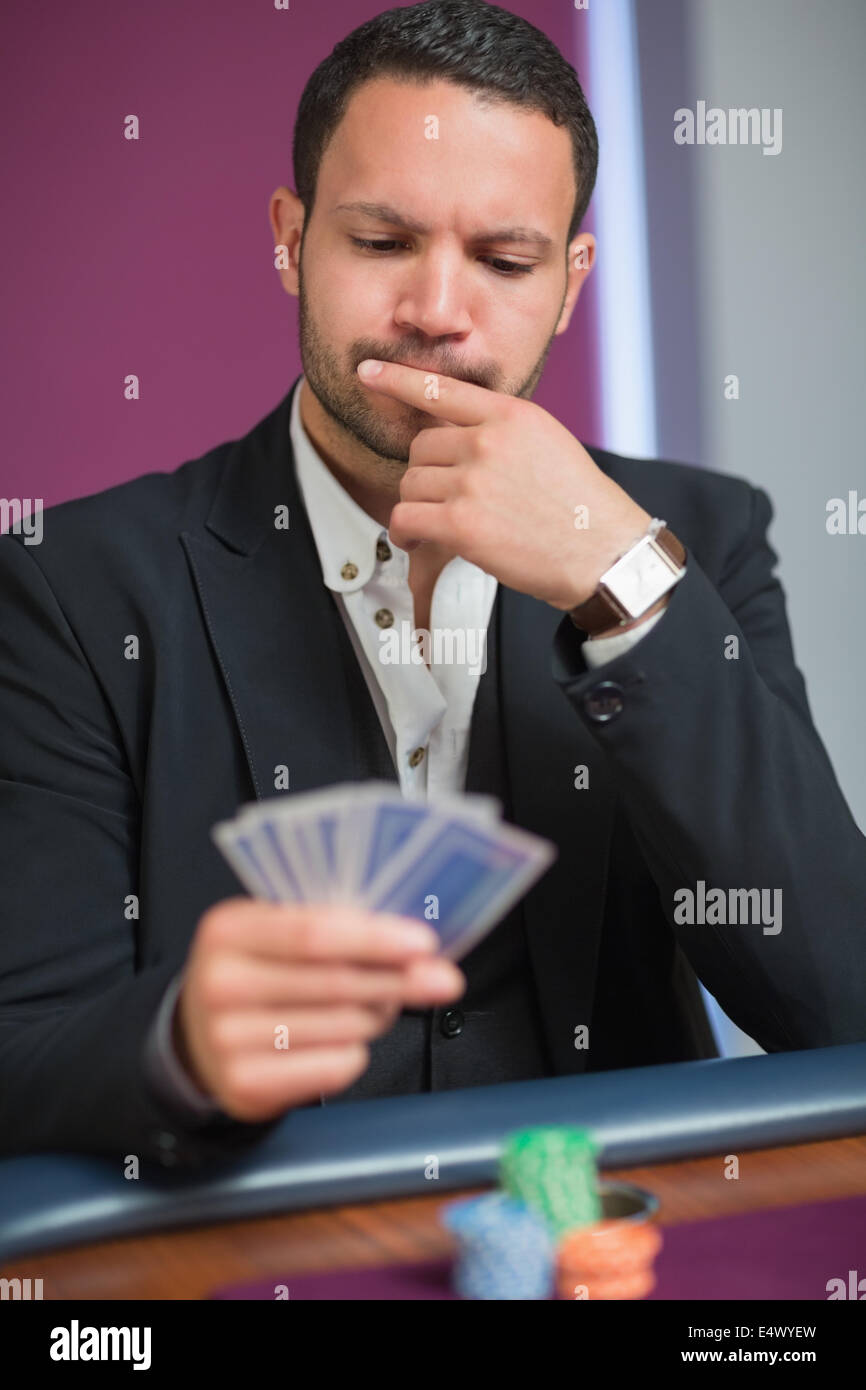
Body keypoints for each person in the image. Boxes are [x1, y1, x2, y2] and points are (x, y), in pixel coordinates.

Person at [1, 0, 864, 1172]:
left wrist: (619, 587)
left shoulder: (694, 536)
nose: (437, 315)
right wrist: (179, 1043)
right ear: (289, 238)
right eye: (380, 242)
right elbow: (23, 1056)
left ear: (568, 283)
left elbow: (837, 999)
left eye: (504, 262)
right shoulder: (70, 587)